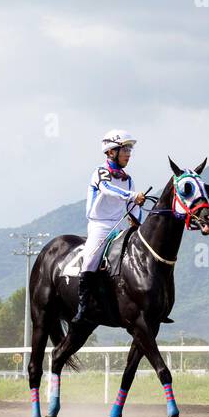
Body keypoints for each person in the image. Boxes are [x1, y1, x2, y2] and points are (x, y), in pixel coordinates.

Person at [74, 130, 145, 323]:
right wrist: (132, 196)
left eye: (130, 149)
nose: (129, 153)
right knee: (90, 260)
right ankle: (83, 307)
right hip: (100, 226)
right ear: (111, 151)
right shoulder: (100, 172)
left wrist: (139, 221)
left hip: (118, 226)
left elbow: (131, 206)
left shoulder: (128, 179)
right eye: (126, 149)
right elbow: (108, 189)